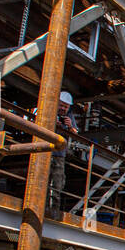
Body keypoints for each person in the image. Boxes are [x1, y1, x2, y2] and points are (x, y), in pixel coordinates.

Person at [48, 90, 79, 220]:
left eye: (65, 107)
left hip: (60, 155)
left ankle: (53, 210)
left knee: (57, 183)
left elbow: (76, 133)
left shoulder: (69, 116)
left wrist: (70, 127)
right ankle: (43, 205)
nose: (63, 109)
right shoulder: (49, 111)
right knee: (43, 180)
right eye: (61, 105)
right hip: (46, 152)